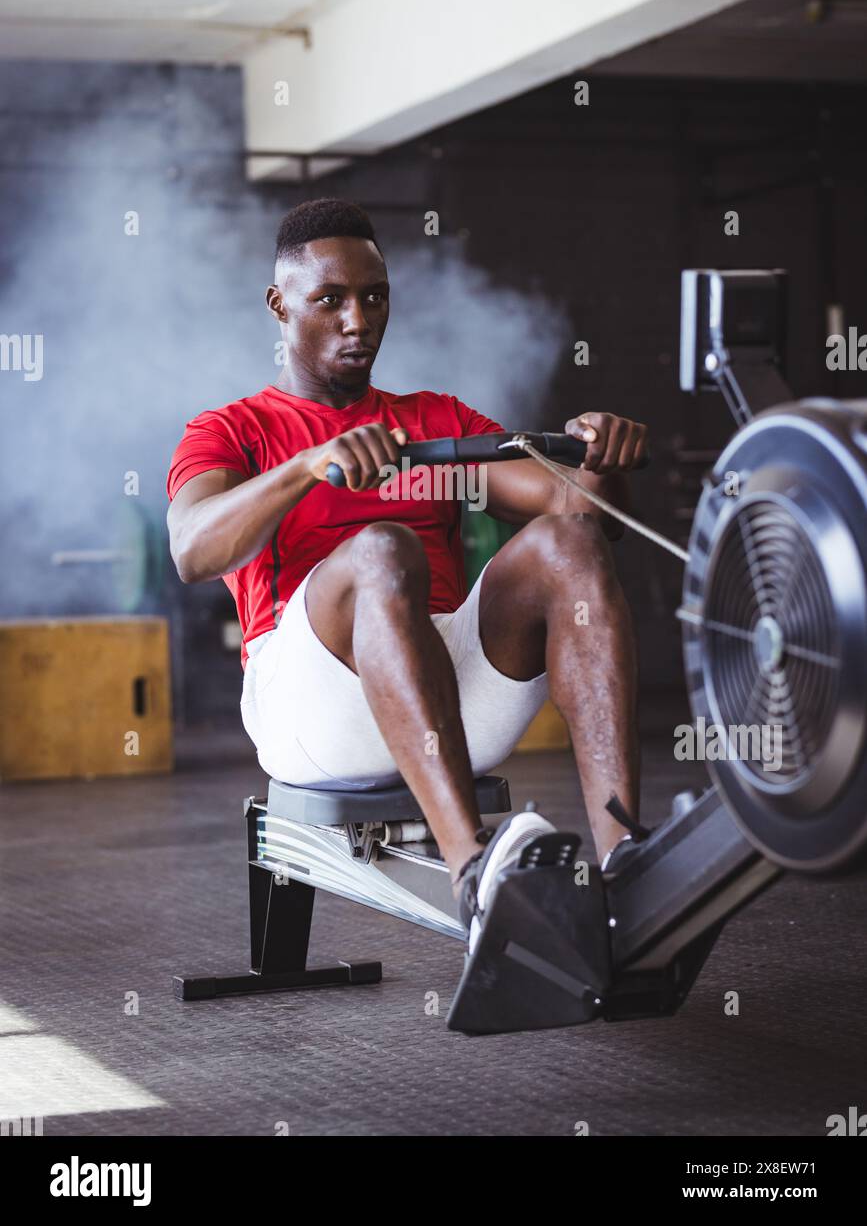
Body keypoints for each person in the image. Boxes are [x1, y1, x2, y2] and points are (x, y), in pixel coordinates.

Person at [166, 198, 648, 950]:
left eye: (373, 296)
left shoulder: (433, 419)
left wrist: (597, 455)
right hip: (315, 714)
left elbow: (580, 510)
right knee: (382, 548)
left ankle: (627, 863)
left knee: (568, 544)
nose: (358, 319)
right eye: (330, 299)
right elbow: (193, 551)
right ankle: (471, 873)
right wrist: (304, 467)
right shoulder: (232, 430)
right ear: (279, 304)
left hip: (453, 699)